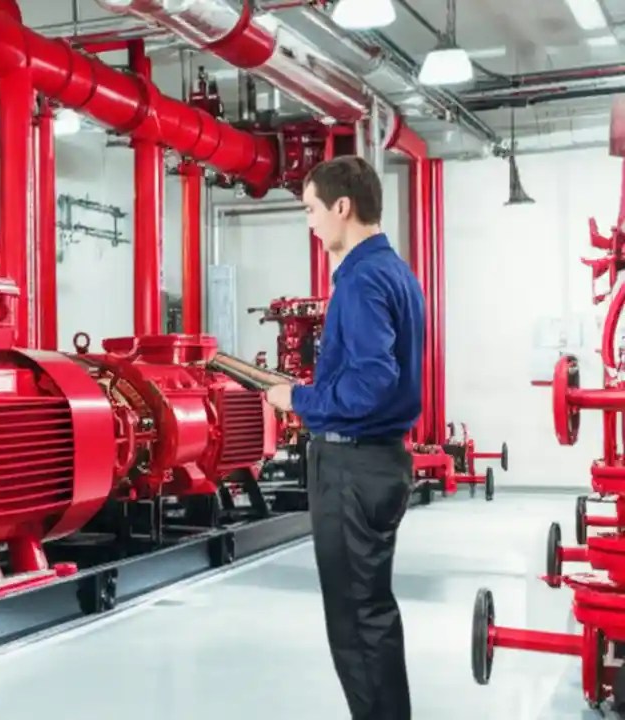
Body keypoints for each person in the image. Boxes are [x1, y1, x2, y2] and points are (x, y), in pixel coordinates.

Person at [265, 155, 424, 720]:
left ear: (342, 206)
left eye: (310, 209)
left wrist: (297, 399)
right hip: (380, 463)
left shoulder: (360, 278)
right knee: (371, 613)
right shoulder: (396, 272)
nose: (309, 222)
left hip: (352, 470)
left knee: (355, 624)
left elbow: (372, 382)